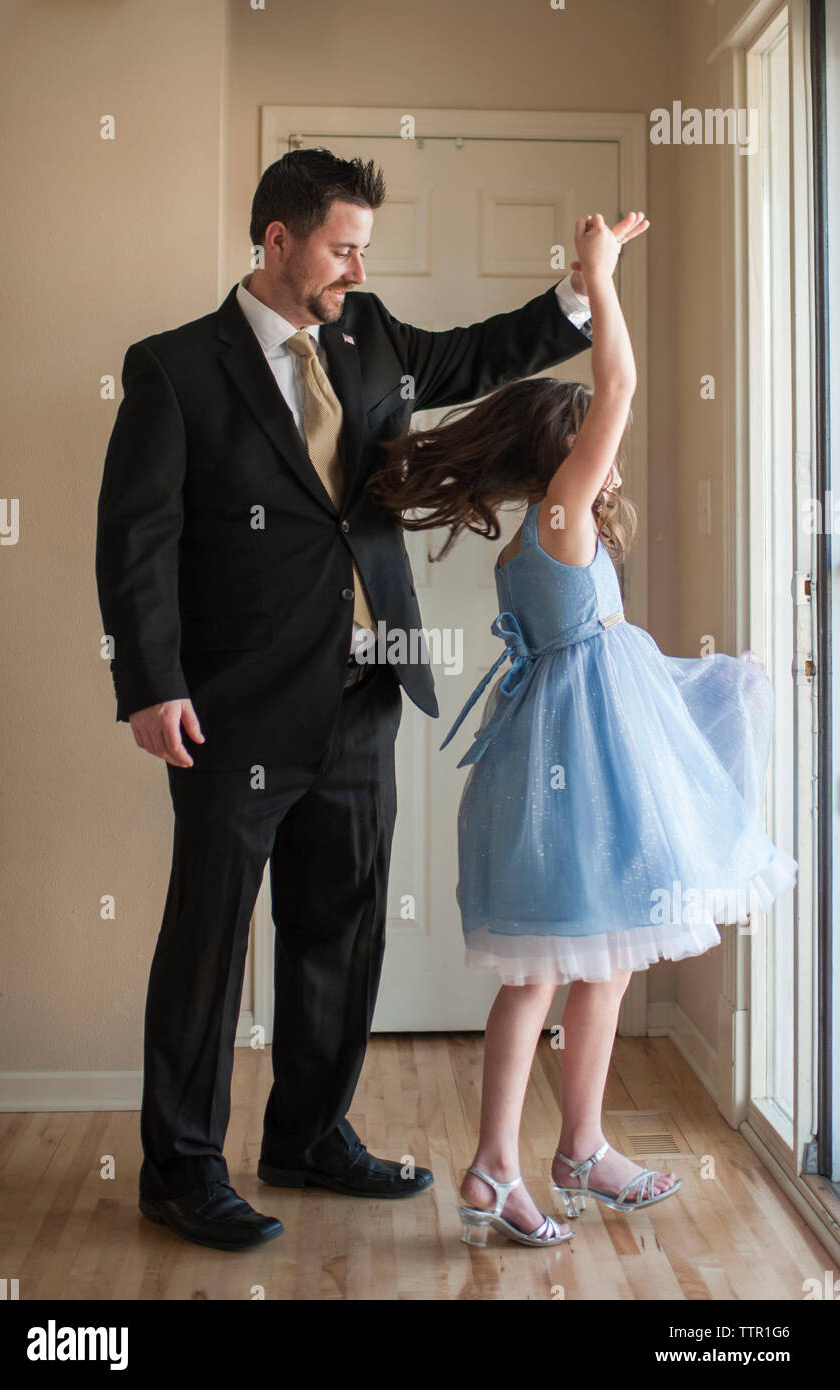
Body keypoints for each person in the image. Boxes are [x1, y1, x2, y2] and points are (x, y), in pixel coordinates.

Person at [95, 148, 650, 1252]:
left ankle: (308, 1133)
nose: (356, 266)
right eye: (342, 247)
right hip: (230, 706)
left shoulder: (372, 337)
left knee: (338, 925)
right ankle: (180, 1169)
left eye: (363, 249)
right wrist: (148, 683)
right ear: (276, 243)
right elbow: (136, 541)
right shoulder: (173, 370)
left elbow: (485, 353)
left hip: (364, 688)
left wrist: (578, 289)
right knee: (209, 937)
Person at [367, 212, 798, 1248]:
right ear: (563, 456)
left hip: (586, 762)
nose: (612, 456)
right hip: (570, 776)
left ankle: (578, 1147)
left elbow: (621, 661)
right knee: (542, 972)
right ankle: (492, 1164)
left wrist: (718, 674)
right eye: (594, 443)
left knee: (599, 961)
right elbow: (619, 390)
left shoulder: (557, 535)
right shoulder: (559, 517)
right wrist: (597, 280)